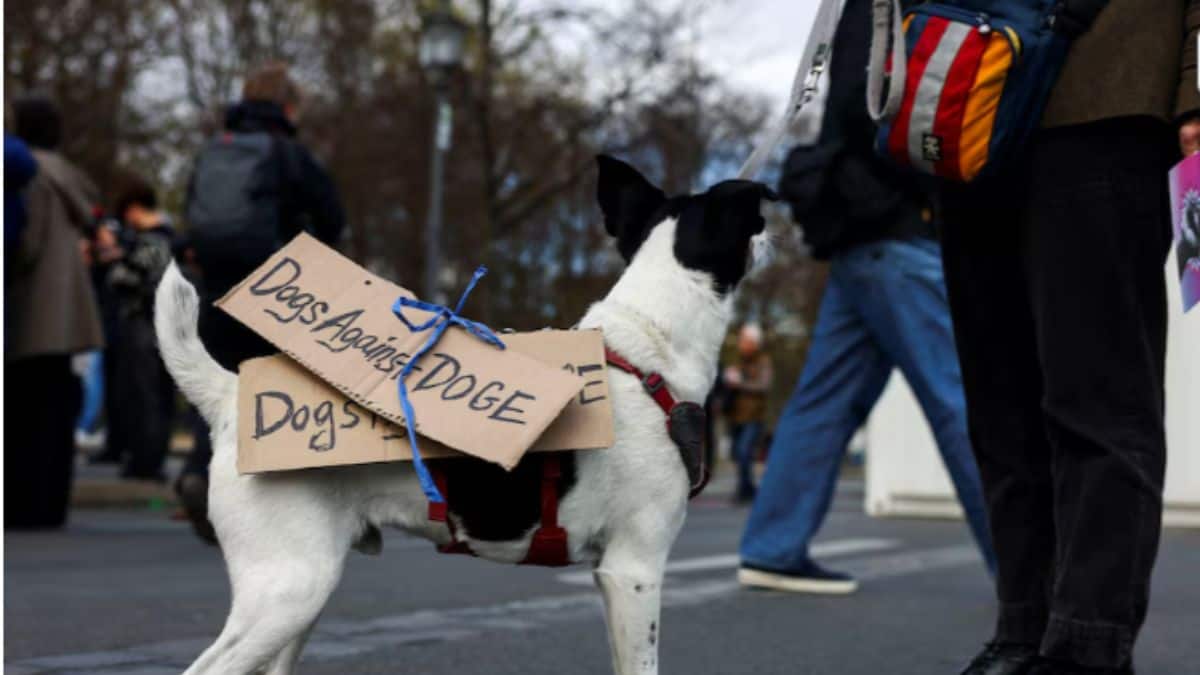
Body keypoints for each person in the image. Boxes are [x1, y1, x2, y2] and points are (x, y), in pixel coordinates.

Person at [941, 3, 1198, 674]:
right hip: (976, 104)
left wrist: (1198, 91)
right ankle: (1023, 629)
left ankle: (1088, 644)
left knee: (1098, 399)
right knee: (1001, 408)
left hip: (1107, 101)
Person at [737, 0, 996, 595]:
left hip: (864, 233)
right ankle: (1026, 572)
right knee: (964, 398)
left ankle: (774, 547)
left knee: (825, 401)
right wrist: (932, 184)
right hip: (896, 228)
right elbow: (871, 103)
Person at [175, 62, 345, 542]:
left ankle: (199, 473)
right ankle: (268, 505)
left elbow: (192, 212)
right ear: (289, 107)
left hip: (215, 287)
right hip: (272, 290)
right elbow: (332, 216)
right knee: (274, 392)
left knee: (217, 388)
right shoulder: (288, 153)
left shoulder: (215, 149)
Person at [5, 95, 105, 529]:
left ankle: (24, 504)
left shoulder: (31, 175)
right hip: (68, 306)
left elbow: (26, 244)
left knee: (25, 411)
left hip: (33, 305)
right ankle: (50, 503)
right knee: (56, 409)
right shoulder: (67, 175)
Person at [103, 175, 177, 481]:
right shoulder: (172, 238)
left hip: (143, 324)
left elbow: (122, 278)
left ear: (134, 209)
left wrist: (117, 262)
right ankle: (151, 456)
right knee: (158, 394)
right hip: (166, 325)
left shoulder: (149, 242)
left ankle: (145, 460)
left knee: (142, 394)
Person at [722, 324, 773, 503]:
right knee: (738, 454)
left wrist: (740, 383)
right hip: (736, 416)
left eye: (745, 340)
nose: (741, 343)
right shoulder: (738, 361)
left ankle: (745, 490)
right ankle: (747, 488)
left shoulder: (763, 362)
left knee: (744, 452)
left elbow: (764, 386)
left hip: (753, 417)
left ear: (754, 342)